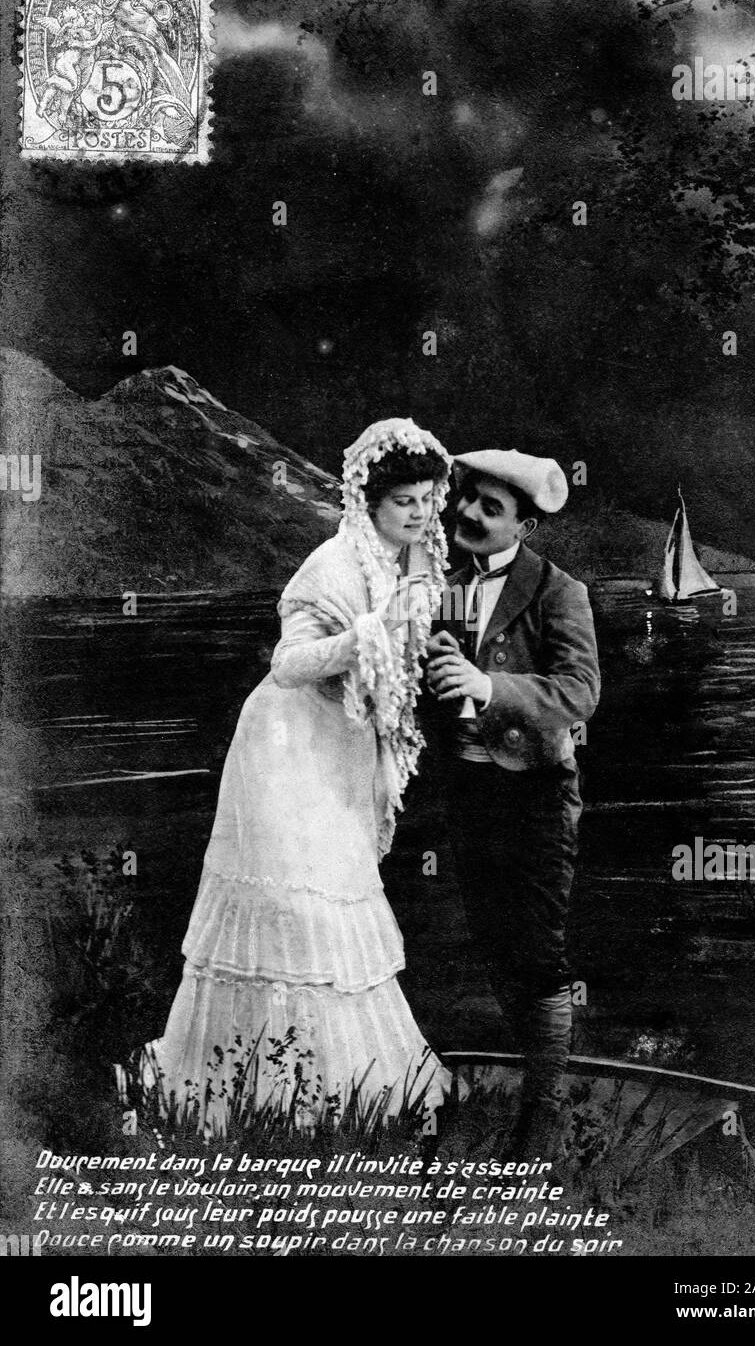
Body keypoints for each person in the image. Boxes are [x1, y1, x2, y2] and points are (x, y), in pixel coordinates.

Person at [141, 418, 453, 1134]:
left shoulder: (401, 564)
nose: (418, 512)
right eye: (404, 500)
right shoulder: (333, 564)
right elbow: (289, 663)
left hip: (336, 746)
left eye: (427, 499)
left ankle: (341, 1087)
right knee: (292, 903)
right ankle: (264, 1093)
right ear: (370, 502)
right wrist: (369, 634)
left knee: (336, 896)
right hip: (284, 748)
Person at [426, 449, 600, 1155]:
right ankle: (533, 1089)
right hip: (469, 792)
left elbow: (579, 693)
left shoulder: (560, 591)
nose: (467, 513)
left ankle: (546, 1112)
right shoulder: (442, 584)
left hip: (534, 795)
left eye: (489, 508)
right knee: (494, 945)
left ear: (524, 525)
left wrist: (488, 686)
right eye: (466, 499)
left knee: (536, 951)